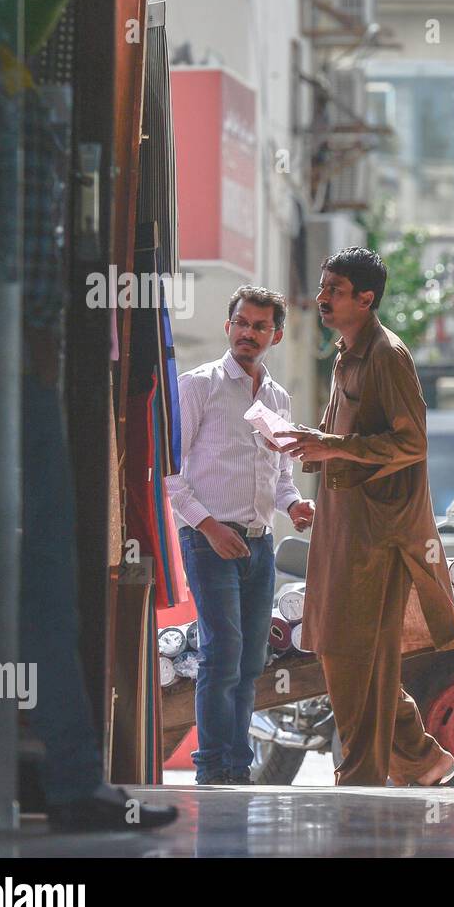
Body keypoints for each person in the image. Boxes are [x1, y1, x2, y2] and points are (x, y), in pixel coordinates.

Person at [276, 246, 454, 787]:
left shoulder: (387, 355)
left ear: (367, 298)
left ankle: (362, 775)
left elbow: (411, 442)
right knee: (340, 648)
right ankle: (422, 757)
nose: (321, 298)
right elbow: (344, 435)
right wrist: (312, 446)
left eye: (334, 290)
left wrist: (332, 446)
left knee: (359, 653)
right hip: (340, 522)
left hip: (377, 532)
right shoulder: (345, 353)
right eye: (322, 287)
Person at [167, 286, 315, 785]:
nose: (248, 333)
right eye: (240, 323)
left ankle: (238, 768)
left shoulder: (277, 397)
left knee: (251, 659)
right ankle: (213, 770)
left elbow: (280, 476)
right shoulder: (198, 386)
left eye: (259, 326)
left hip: (259, 542)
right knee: (223, 652)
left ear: (275, 335)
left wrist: (294, 505)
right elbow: (169, 474)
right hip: (209, 540)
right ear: (227, 326)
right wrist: (208, 528)